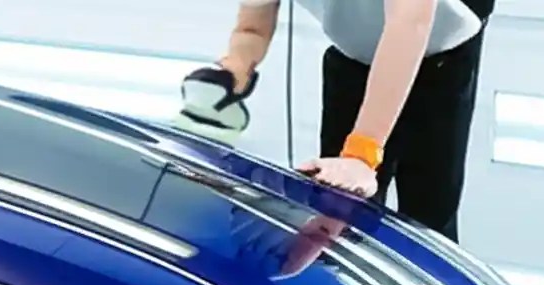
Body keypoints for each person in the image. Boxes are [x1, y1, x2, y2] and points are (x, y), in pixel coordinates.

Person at [179, 0, 494, 242]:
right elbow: (252, 28)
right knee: (338, 213)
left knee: (428, 219)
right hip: (353, 57)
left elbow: (410, 24)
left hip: (441, 56)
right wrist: (231, 73)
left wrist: (363, 154)